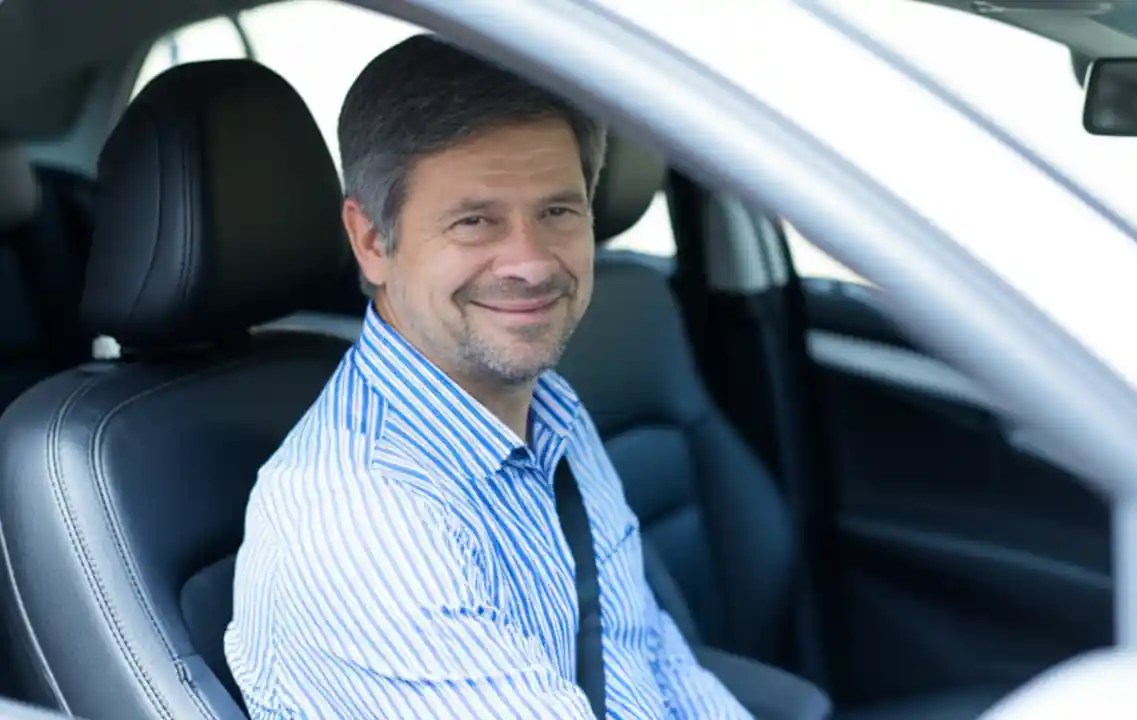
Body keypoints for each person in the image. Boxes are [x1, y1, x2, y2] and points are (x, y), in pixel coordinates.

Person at [224, 35, 749, 719]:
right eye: (475, 221)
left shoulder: (551, 412)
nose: (531, 264)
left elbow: (647, 656)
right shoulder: (359, 526)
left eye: (557, 211)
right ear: (373, 241)